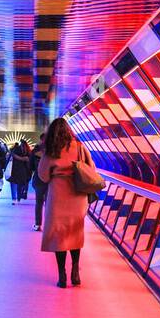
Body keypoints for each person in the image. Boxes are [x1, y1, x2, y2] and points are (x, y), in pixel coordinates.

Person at [37, 117, 99, 288]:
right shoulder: (79, 147)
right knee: (74, 234)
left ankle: (62, 276)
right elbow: (91, 169)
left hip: (57, 197)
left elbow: (43, 175)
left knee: (59, 236)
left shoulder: (51, 151)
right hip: (77, 196)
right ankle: (75, 272)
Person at [30, 136, 48, 230]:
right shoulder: (53, 151)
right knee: (50, 203)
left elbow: (31, 166)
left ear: (41, 140)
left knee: (39, 202)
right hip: (50, 180)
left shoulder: (35, 151)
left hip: (39, 179)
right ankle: (49, 224)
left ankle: (38, 224)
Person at [5, 139, 32, 204]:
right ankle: (18, 198)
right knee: (20, 185)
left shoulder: (14, 151)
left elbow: (8, 159)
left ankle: (14, 199)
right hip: (23, 171)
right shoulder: (28, 152)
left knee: (13, 185)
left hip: (14, 170)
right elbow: (28, 160)